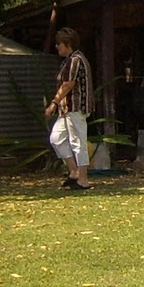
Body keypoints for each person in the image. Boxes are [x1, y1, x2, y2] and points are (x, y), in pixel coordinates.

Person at [46, 27, 93, 190]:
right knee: (56, 139)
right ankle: (74, 172)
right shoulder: (68, 60)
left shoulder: (76, 60)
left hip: (75, 106)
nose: (57, 47)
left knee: (77, 142)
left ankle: (84, 179)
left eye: (59, 44)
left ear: (68, 44)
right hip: (66, 110)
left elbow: (68, 84)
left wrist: (53, 103)